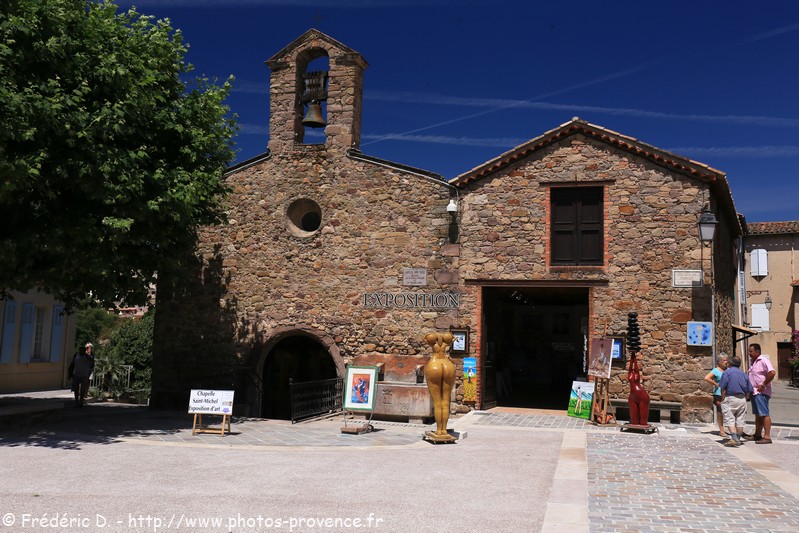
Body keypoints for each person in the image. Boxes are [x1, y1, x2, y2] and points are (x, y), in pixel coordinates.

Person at [718, 356, 753, 447]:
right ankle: (738, 437)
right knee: (740, 418)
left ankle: (734, 438)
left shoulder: (727, 373)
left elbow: (723, 387)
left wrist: (722, 398)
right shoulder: (744, 374)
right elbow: (749, 389)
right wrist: (745, 398)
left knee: (729, 418)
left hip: (730, 397)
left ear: (730, 363)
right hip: (742, 398)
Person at [747, 343, 776, 444]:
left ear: (757, 352)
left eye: (751, 351)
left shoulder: (763, 360)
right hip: (754, 392)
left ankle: (767, 437)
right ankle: (757, 434)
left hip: (761, 392)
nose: (749, 353)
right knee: (758, 414)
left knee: (764, 413)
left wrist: (763, 384)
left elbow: (772, 372)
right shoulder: (753, 361)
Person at [704, 354, 730, 437]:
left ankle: (731, 429)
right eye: (724, 361)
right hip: (719, 394)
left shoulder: (728, 370)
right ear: (719, 362)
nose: (726, 362)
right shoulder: (716, 370)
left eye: (727, 360)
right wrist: (716, 384)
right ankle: (721, 430)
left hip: (728, 393)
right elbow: (707, 378)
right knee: (720, 412)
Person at [626, 353, 650, 425]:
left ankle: (643, 423)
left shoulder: (637, 374)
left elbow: (635, 366)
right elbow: (630, 367)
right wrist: (631, 357)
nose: (633, 369)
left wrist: (634, 357)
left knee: (643, 421)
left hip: (642, 395)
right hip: (633, 396)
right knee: (634, 421)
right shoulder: (630, 374)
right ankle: (635, 423)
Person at [69, 342, 95, 407]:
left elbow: (91, 360)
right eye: (80, 350)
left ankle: (81, 401)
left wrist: (85, 354)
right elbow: (72, 364)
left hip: (84, 374)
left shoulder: (87, 356)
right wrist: (70, 373)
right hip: (76, 374)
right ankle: (76, 401)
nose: (81, 351)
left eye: (82, 350)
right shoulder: (76, 355)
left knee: (82, 389)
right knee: (76, 389)